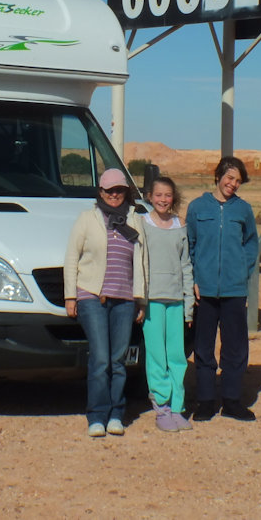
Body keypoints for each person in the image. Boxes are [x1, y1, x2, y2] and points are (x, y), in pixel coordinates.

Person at [64, 167, 147, 437]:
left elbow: (142, 262)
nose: (114, 195)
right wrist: (70, 296)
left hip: (124, 299)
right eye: (109, 190)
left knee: (119, 360)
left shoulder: (135, 219)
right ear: (100, 192)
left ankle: (116, 414)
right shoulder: (87, 219)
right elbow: (72, 257)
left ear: (126, 192)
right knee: (100, 359)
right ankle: (97, 416)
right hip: (91, 295)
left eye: (119, 190)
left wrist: (141, 300)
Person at [185, 156, 259, 422]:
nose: (233, 184)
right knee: (203, 347)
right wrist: (193, 278)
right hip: (203, 291)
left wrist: (241, 271)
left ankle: (231, 400)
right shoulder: (197, 207)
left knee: (235, 348)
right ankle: (205, 401)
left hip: (234, 290)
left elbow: (250, 244)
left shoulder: (243, 210)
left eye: (238, 181)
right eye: (229, 177)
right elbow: (189, 245)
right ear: (218, 176)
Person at [142, 175, 194, 432]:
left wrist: (189, 305)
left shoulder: (180, 226)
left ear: (174, 198)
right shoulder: (142, 224)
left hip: (175, 300)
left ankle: (177, 407)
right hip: (151, 300)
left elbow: (186, 266)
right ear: (149, 197)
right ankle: (161, 406)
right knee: (156, 355)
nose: (163, 200)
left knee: (176, 355)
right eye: (158, 195)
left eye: (168, 195)